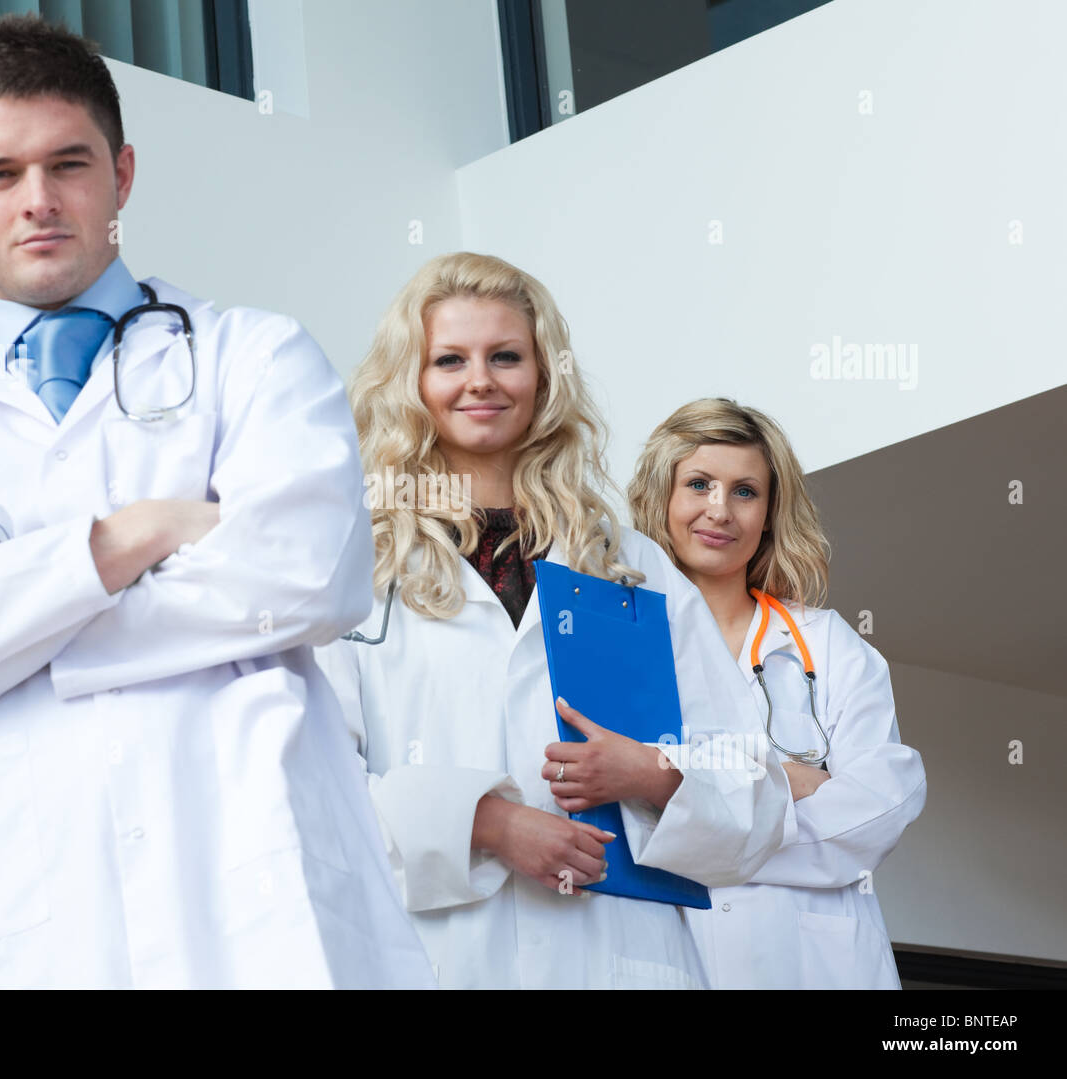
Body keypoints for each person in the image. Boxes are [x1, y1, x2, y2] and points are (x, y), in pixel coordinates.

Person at [0, 14, 434, 990]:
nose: (39, 202)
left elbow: (310, 575)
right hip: (26, 928)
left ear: (122, 175)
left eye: (70, 164)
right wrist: (127, 536)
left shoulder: (254, 358)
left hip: (254, 911)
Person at [314, 253, 792, 989]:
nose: (481, 380)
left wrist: (656, 772)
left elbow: (752, 783)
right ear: (412, 379)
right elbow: (311, 784)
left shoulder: (625, 562)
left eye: (506, 355)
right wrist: (486, 824)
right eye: (450, 359)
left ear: (543, 376)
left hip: (621, 955)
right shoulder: (354, 558)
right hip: (441, 957)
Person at [620, 397, 927, 988]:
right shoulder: (621, 640)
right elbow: (621, 818)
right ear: (662, 498)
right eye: (699, 484)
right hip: (673, 952)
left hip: (818, 964)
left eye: (745, 491)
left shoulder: (826, 641)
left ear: (768, 512)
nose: (720, 510)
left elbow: (883, 804)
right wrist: (788, 782)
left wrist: (693, 802)